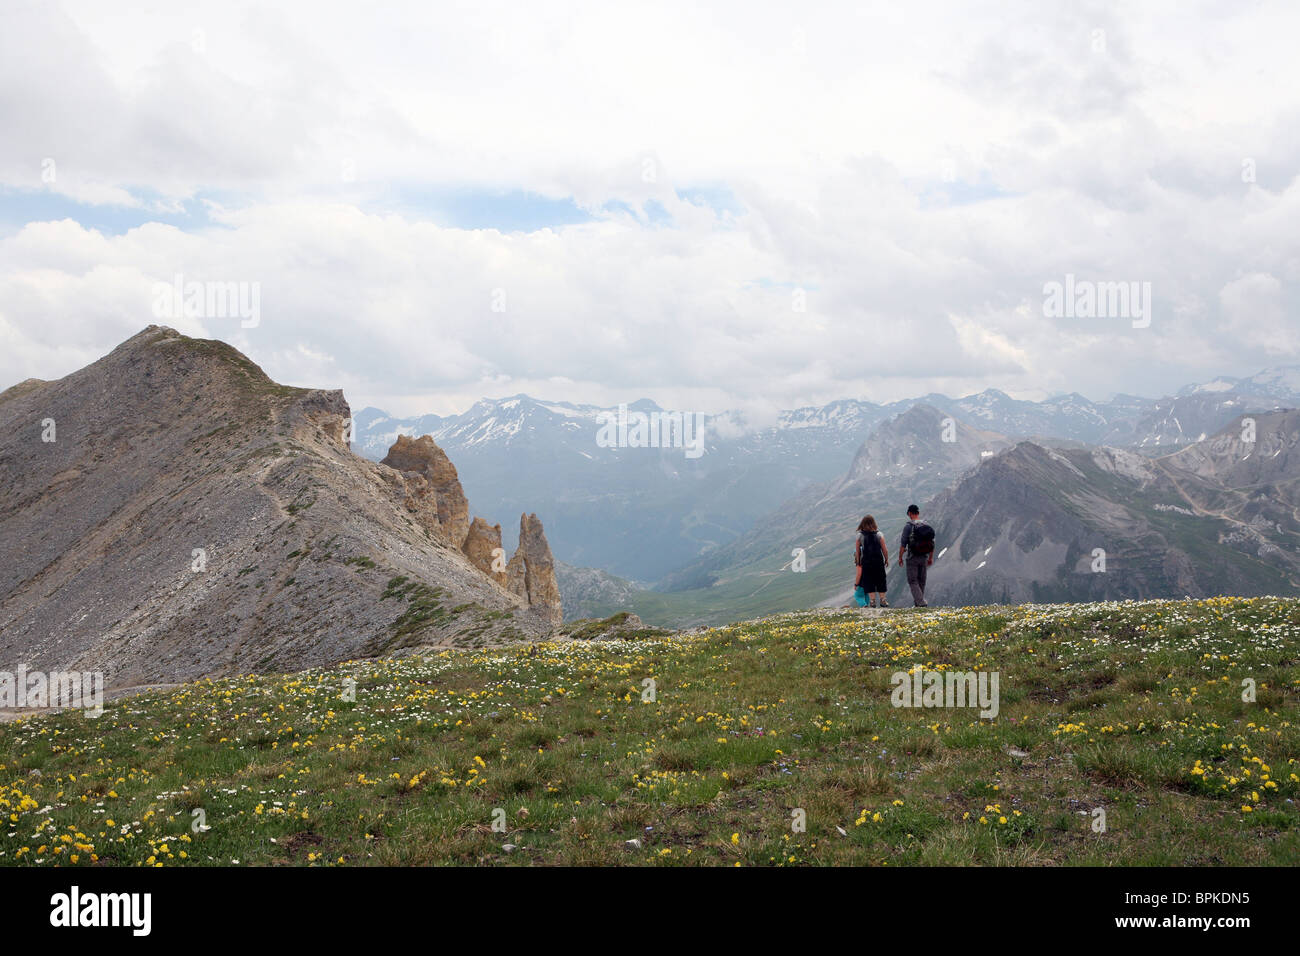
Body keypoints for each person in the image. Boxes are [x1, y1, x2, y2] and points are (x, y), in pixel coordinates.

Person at [898, 504, 936, 607]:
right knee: (921, 581)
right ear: (918, 513)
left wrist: (900, 558)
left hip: (912, 557)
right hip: (924, 556)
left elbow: (903, 544)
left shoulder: (908, 526)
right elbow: (932, 543)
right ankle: (919, 603)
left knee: (913, 580)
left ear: (909, 513)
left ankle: (920, 603)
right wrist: (931, 558)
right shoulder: (926, 525)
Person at [854, 515, 889, 608]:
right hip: (878, 561)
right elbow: (884, 549)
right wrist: (886, 559)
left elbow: (858, 551)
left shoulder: (859, 535)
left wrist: (858, 562)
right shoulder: (879, 534)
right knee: (881, 579)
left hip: (866, 562)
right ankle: (883, 600)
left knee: (869, 581)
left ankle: (872, 601)